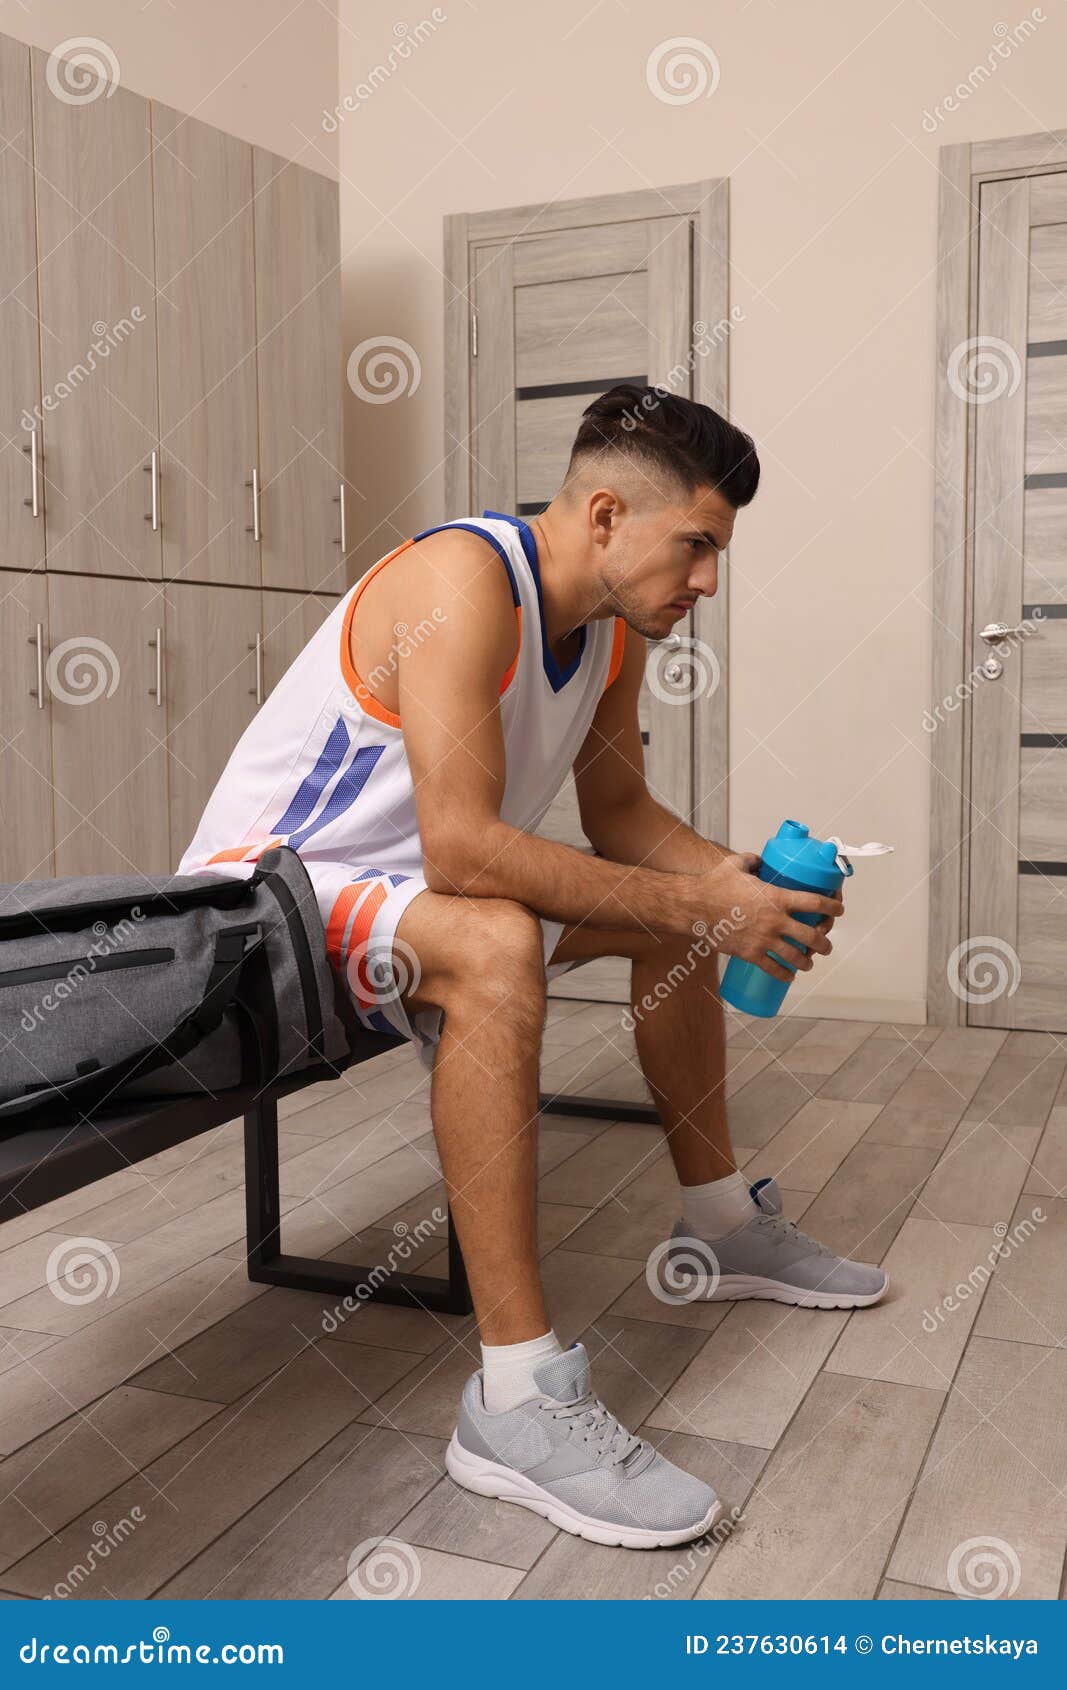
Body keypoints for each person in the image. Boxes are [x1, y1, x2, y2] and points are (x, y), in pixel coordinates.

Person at [178, 383, 887, 1551]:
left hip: (410, 901)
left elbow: (621, 820)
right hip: (263, 904)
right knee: (497, 939)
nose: (707, 580)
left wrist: (738, 887)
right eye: (696, 544)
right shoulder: (463, 583)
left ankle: (717, 1223)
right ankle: (515, 1401)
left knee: (669, 919)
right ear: (604, 515)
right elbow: (461, 847)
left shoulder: (610, 630)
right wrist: (702, 895)